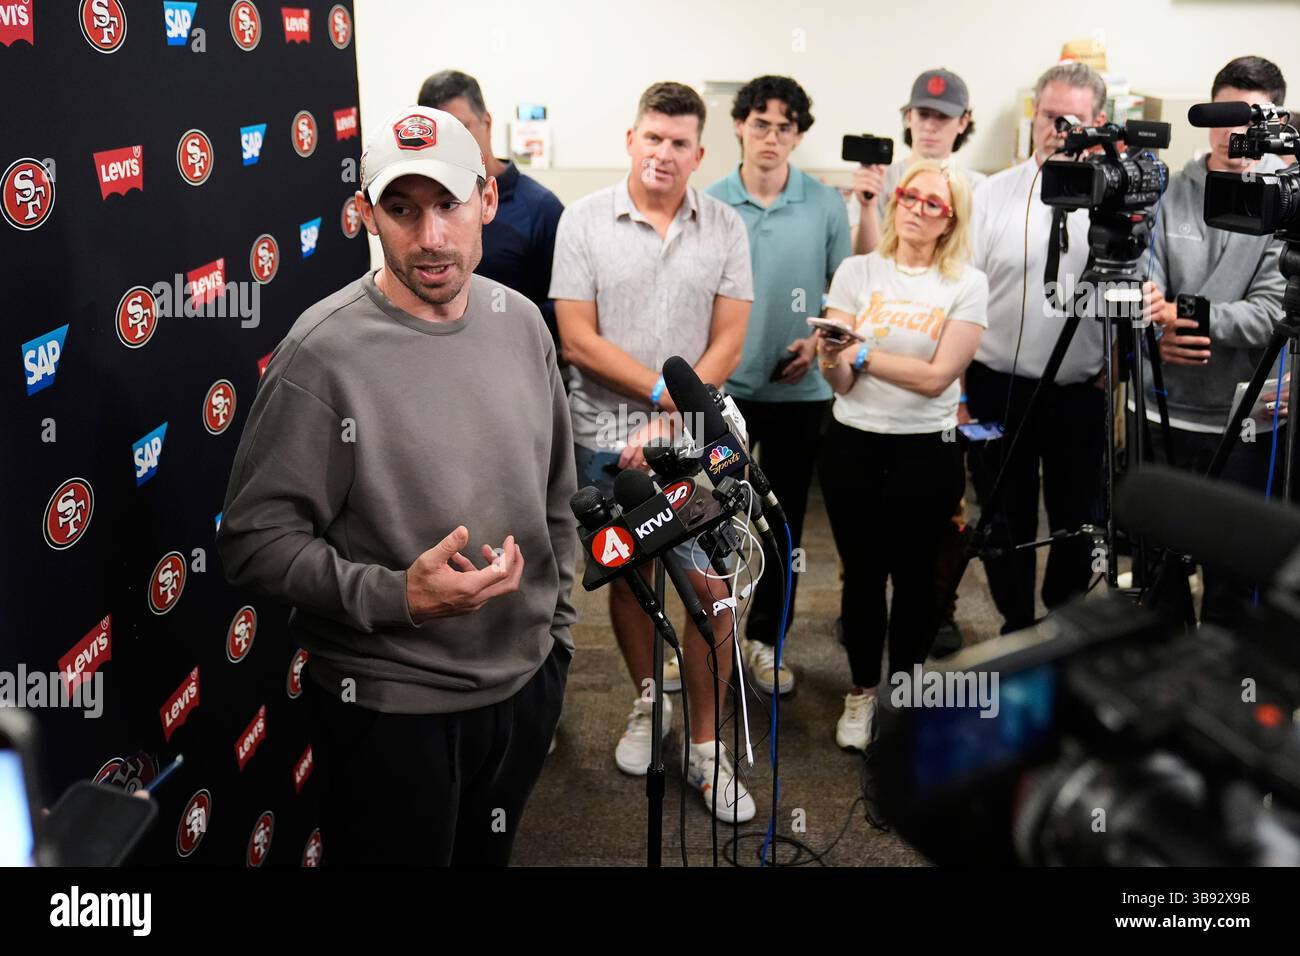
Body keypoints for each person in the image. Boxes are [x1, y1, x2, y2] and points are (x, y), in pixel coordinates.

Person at [216, 106, 577, 866]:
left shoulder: (523, 326)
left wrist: (557, 641)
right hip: (388, 710)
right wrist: (400, 598)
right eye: (402, 209)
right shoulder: (322, 353)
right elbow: (254, 544)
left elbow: (556, 499)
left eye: (448, 203)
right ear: (365, 215)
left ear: (487, 200)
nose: (433, 236)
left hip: (524, 687)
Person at [551, 81, 756, 821]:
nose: (664, 153)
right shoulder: (582, 221)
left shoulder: (726, 226)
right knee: (633, 577)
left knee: (710, 594)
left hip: (694, 443)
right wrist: (663, 396)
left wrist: (678, 417)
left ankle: (707, 748)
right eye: (652, 138)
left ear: (699, 153)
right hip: (604, 438)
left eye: (679, 143)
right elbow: (577, 339)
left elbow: (730, 335)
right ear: (631, 141)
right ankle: (646, 701)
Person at [816, 159, 987, 749]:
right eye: (908, 196)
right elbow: (839, 381)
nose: (915, 208)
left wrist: (862, 357)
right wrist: (832, 357)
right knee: (862, 576)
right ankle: (862, 694)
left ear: (950, 220)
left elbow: (939, 377)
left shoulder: (965, 282)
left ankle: (906, 695)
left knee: (918, 582)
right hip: (852, 444)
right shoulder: (857, 271)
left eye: (931, 203)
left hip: (926, 451)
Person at [704, 75, 851, 696]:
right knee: (710, 521)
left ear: (798, 135)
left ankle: (766, 640)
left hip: (799, 394)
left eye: (784, 127)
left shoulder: (824, 204)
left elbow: (844, 297)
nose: (771, 137)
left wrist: (817, 343)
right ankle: (706, 639)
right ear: (738, 125)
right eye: (760, 123)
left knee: (781, 526)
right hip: (725, 391)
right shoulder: (711, 201)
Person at [1140, 56, 1288, 626]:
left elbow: (1271, 315)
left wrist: (1181, 317)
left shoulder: (1287, 203)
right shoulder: (1167, 191)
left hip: (1246, 422)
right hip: (1160, 412)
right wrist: (1159, 327)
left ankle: (1223, 701)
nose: (1235, 132)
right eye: (1224, 115)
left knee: (1233, 581)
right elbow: (1140, 283)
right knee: (1159, 575)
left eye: (1251, 118)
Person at [966, 62, 1110, 635]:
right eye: (1052, 116)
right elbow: (963, 293)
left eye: (1074, 119)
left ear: (1097, 122)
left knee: (1078, 517)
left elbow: (1134, 290)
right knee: (1005, 516)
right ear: (1035, 115)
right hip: (998, 383)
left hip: (1080, 390)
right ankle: (1015, 625)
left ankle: (1062, 622)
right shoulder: (990, 195)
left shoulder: (1114, 200)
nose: (1060, 129)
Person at [418, 70, 567, 365]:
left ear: (486, 122)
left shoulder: (542, 209)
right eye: (436, 135)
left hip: (517, 368)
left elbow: (563, 316)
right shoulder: (420, 211)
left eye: (461, 130)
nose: (449, 147)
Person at [850, 68, 984, 256]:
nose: (930, 126)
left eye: (942, 116)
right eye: (923, 114)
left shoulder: (978, 189)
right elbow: (863, 260)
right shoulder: (878, 180)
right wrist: (867, 207)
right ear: (909, 117)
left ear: (963, 122)